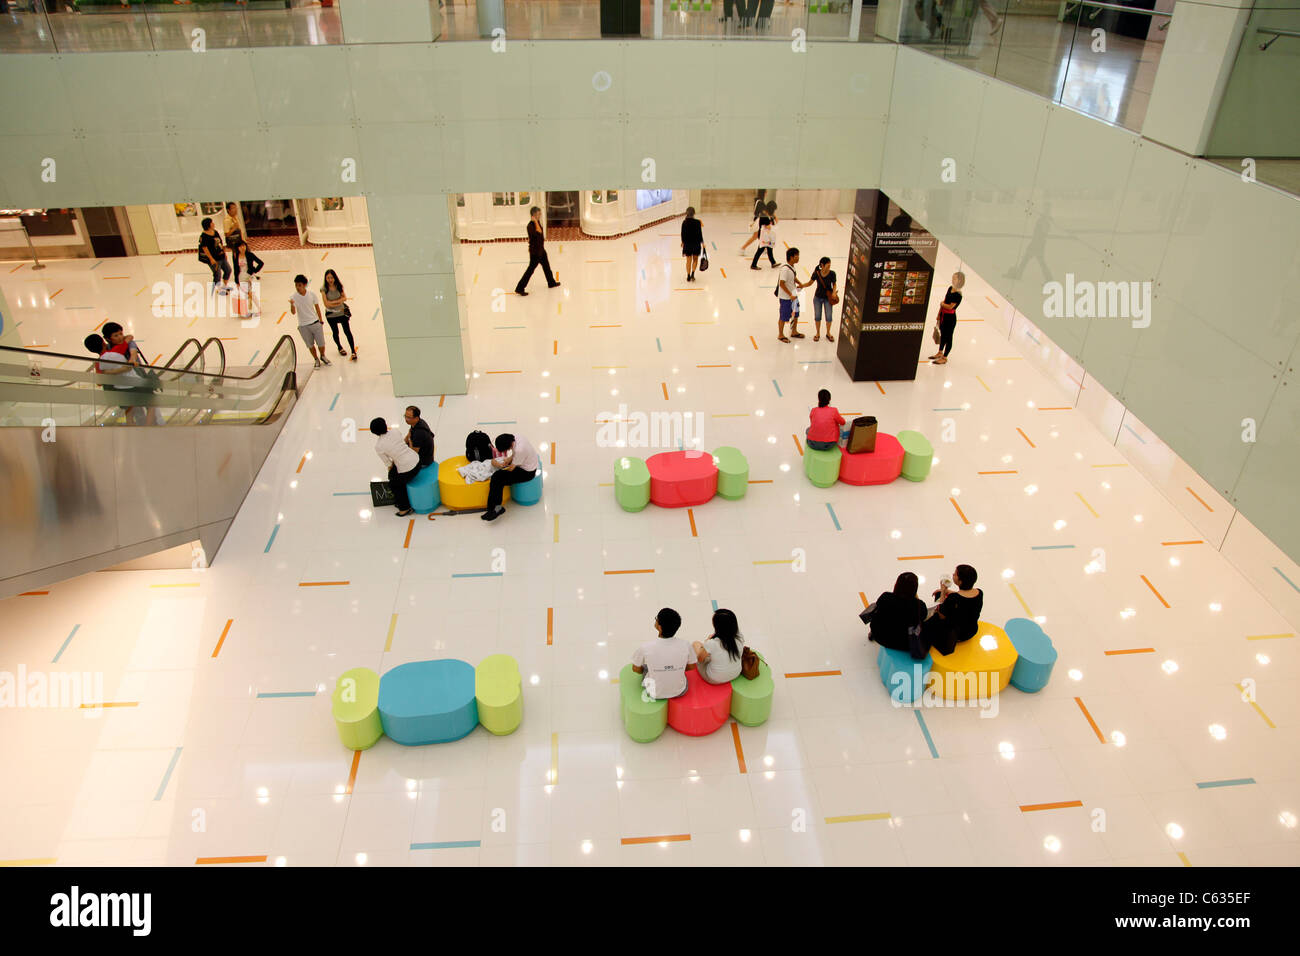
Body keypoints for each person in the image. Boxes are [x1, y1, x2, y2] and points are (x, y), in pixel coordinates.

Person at [83, 332, 162, 425]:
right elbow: (130, 339)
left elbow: (99, 382)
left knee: (129, 410)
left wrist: (108, 373)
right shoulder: (115, 352)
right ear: (104, 342)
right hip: (132, 385)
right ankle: (148, 429)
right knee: (150, 403)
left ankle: (132, 430)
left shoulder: (98, 362)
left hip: (119, 390)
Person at [631, 608, 696, 700]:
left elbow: (635, 669)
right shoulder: (686, 645)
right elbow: (692, 666)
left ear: (660, 628)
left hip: (653, 692)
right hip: (680, 691)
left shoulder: (645, 647)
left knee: (646, 667)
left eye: (656, 619)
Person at [922, 564, 983, 656]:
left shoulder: (953, 598)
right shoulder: (979, 592)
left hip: (958, 634)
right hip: (971, 630)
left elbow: (941, 615)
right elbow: (964, 597)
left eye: (955, 574)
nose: (953, 575)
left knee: (933, 615)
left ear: (960, 581)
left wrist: (943, 592)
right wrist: (948, 592)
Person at [863, 572, 929, 659]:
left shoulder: (885, 597)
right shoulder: (919, 606)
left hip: (880, 636)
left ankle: (872, 634)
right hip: (905, 643)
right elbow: (923, 617)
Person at [482, 432, 539, 521]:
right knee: (498, 476)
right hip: (528, 462)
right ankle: (493, 507)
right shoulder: (517, 437)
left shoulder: (519, 450)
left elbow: (511, 468)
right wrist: (508, 460)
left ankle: (496, 508)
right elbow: (515, 455)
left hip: (528, 473)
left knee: (497, 478)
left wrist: (500, 467)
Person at [371, 416, 421, 518]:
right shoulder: (395, 431)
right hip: (417, 460)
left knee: (394, 482)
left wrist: (392, 474)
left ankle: (404, 508)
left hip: (409, 470)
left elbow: (389, 464)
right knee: (396, 473)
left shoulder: (379, 446)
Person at [691, 608, 746, 685]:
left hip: (714, 679)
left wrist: (707, 641)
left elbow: (700, 659)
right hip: (736, 673)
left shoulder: (712, 644)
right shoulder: (739, 637)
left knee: (696, 644)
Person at [514, 206, 560, 296]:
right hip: (535, 252)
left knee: (547, 267)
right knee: (530, 270)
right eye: (538, 214)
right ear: (534, 215)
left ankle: (551, 282)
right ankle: (519, 288)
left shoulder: (537, 223)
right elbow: (539, 232)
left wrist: (536, 222)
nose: (540, 215)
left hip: (541, 250)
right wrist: (535, 221)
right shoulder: (530, 226)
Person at [289, 273, 330, 368]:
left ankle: (323, 356)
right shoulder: (293, 297)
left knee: (321, 343)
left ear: (305, 285)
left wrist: (320, 320)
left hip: (315, 322)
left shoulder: (311, 294)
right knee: (310, 345)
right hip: (303, 325)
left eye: (299, 285)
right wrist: (291, 304)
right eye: (296, 285)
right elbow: (293, 312)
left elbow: (317, 308)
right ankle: (316, 359)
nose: (297, 287)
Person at [224, 202, 263, 289]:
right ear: (228, 210)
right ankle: (238, 280)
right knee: (238, 263)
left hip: (241, 242)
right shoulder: (227, 220)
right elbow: (227, 234)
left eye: (235, 208)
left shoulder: (235, 217)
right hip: (236, 246)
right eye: (233, 208)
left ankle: (251, 273)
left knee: (249, 259)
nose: (235, 210)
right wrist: (234, 228)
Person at [929, 271, 964, 365]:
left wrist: (942, 304)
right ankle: (940, 352)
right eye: (953, 277)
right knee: (943, 335)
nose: (953, 279)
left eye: (955, 278)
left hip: (950, 318)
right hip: (943, 315)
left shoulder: (958, 295)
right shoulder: (950, 288)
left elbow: (950, 306)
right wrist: (939, 314)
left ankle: (945, 357)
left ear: (959, 280)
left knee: (948, 337)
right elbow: (945, 301)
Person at [321, 269, 357, 361]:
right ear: (325, 278)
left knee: (347, 331)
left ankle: (353, 351)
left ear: (335, 277)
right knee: (335, 332)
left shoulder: (339, 286)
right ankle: (339, 347)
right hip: (331, 314)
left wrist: (333, 302)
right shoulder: (323, 289)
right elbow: (326, 304)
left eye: (332, 277)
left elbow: (344, 298)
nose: (330, 280)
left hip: (342, 312)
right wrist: (338, 301)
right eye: (328, 278)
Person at [775, 246, 803, 343]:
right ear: (791, 257)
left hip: (793, 296)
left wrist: (799, 283)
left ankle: (794, 331)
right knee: (783, 315)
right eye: (797, 256)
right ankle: (781, 334)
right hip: (786, 297)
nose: (798, 257)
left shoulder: (792, 267)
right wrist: (790, 294)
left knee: (796, 313)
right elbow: (782, 283)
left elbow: (793, 277)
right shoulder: (785, 269)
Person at [198, 217, 231, 296]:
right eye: (212, 223)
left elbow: (220, 242)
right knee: (217, 274)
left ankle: (225, 285)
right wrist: (211, 259)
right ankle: (219, 289)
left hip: (221, 256)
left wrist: (224, 253)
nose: (213, 224)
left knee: (228, 270)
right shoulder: (204, 236)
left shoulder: (215, 232)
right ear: (208, 225)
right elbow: (204, 248)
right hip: (214, 258)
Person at [810, 256, 837, 342]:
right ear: (822, 265)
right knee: (817, 316)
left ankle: (828, 333)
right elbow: (810, 282)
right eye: (828, 265)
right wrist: (802, 285)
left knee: (829, 316)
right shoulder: (816, 273)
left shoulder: (832, 273)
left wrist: (834, 292)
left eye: (830, 265)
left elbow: (834, 284)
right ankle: (817, 333)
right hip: (817, 297)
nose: (829, 267)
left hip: (827, 298)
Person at [748, 202, 778, 269]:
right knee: (760, 250)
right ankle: (753, 265)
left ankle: (773, 263)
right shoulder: (764, 216)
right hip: (763, 236)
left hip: (766, 236)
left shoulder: (766, 214)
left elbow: (774, 222)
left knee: (769, 248)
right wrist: (771, 222)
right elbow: (769, 226)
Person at [680, 206, 704, 283]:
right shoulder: (697, 222)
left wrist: (683, 242)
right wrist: (702, 243)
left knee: (688, 261)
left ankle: (688, 275)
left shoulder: (684, 222)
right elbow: (700, 234)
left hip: (687, 244)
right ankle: (693, 274)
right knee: (695, 259)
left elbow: (682, 234)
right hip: (696, 244)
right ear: (694, 213)